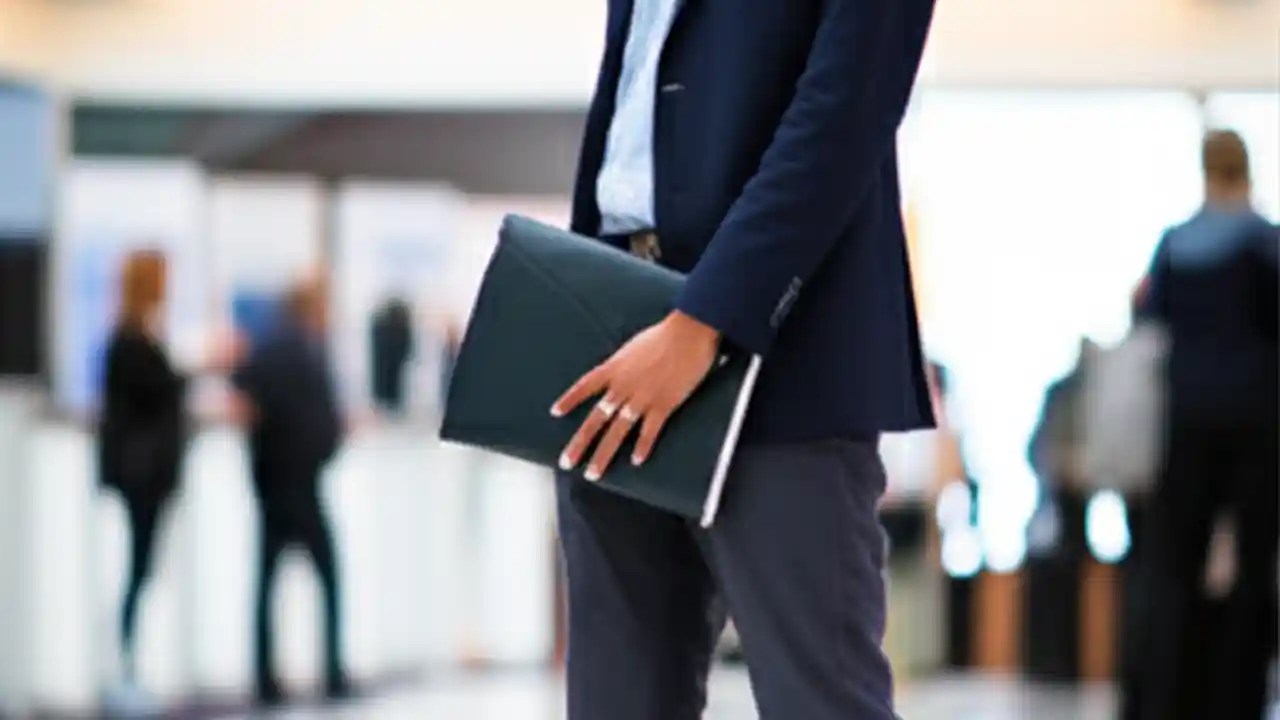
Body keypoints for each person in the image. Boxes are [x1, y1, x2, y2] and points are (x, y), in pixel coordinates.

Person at [548, 1, 938, 717]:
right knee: (617, 700)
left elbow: (846, 108)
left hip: (786, 350)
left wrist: (707, 321)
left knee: (818, 697)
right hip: (616, 327)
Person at [1129, 130, 1278, 720]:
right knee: (1253, 568)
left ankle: (1168, 698)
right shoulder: (1264, 244)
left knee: (1174, 571)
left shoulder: (1175, 245)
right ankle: (1236, 699)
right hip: (1256, 422)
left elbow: (1146, 314)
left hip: (1186, 422)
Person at [231, 275, 350, 705]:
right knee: (329, 579)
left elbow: (242, 397)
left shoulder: (265, 351)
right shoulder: (307, 353)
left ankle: (265, 679)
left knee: (265, 585)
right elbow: (327, 420)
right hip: (303, 484)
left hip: (271, 483)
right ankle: (333, 673)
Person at [98, 251, 188, 683]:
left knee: (144, 569)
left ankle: (133, 666)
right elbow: (153, 396)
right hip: (141, 477)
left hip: (150, 475)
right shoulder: (130, 343)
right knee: (136, 569)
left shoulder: (140, 338)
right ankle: (124, 668)